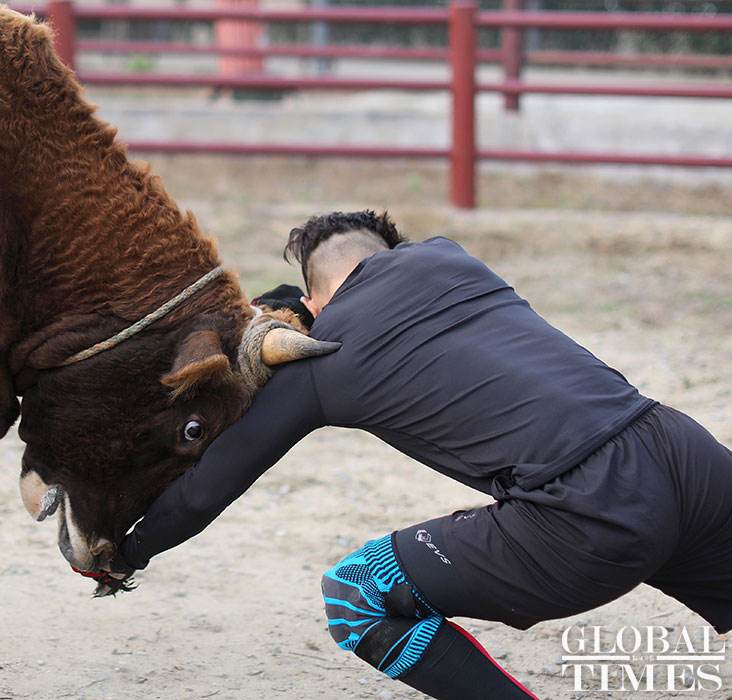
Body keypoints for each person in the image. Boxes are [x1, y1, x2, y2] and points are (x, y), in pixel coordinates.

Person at [106, 211, 732, 700]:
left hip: (585, 515)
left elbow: (205, 488)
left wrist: (127, 551)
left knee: (355, 595)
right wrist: (308, 308)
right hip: (687, 455)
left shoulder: (324, 358)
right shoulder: (455, 261)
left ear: (315, 303)